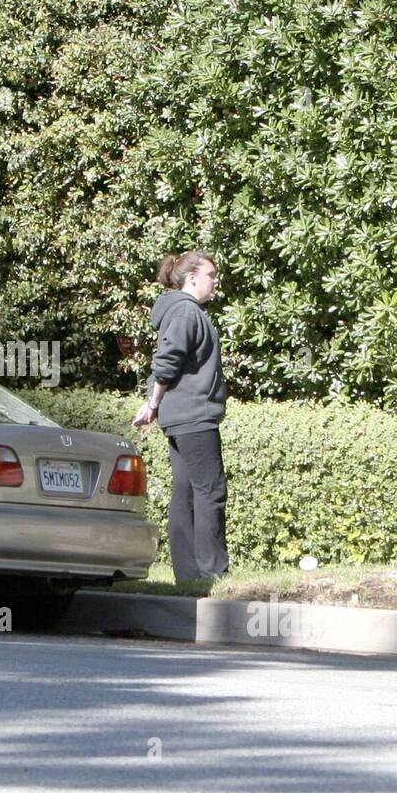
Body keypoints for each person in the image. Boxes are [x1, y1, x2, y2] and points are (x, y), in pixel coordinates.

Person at [132, 250, 229, 583]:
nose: (215, 281)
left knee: (186, 491)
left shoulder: (183, 312)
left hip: (183, 415)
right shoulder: (186, 313)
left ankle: (188, 576)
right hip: (193, 415)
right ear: (192, 278)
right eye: (211, 275)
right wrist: (152, 403)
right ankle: (211, 571)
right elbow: (167, 361)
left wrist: (156, 405)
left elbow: (169, 359)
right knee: (210, 491)